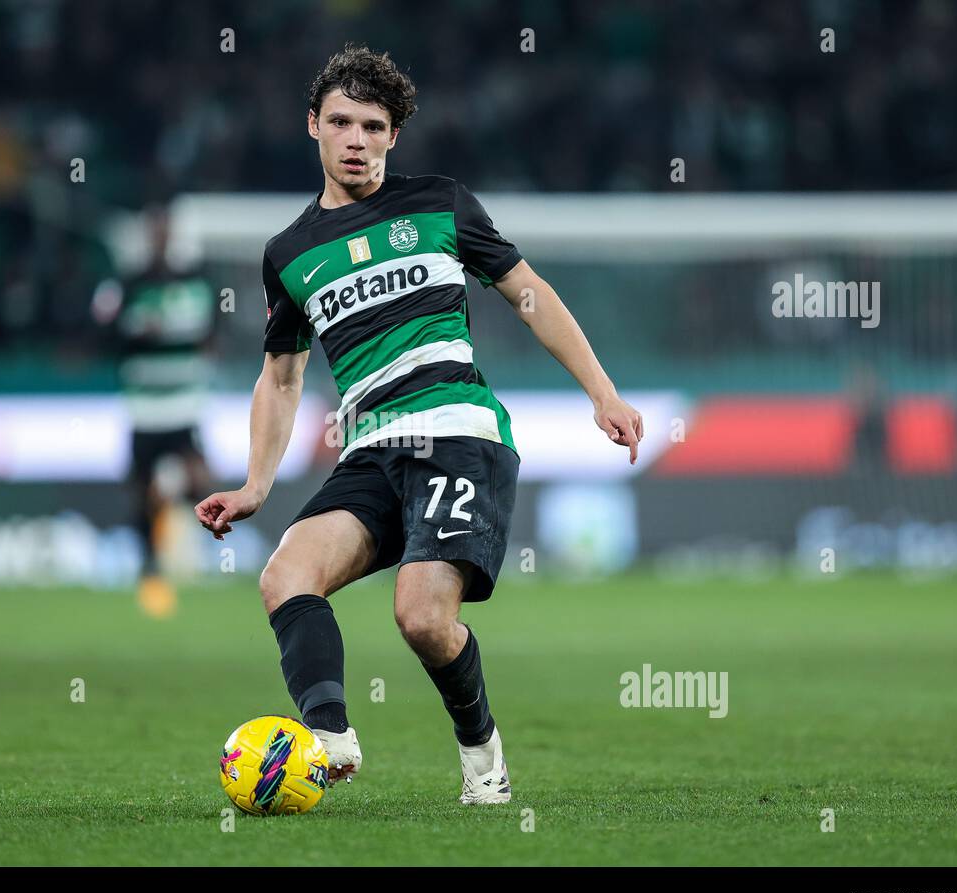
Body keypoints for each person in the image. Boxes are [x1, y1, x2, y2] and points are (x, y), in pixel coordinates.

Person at [195, 45, 642, 803]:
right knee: (285, 575)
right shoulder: (290, 254)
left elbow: (527, 293)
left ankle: (482, 753)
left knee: (423, 618)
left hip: (459, 434)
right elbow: (281, 376)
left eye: (373, 125)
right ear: (314, 126)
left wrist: (602, 393)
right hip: (370, 448)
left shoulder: (440, 202)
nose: (357, 139)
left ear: (393, 136)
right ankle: (331, 741)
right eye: (341, 121)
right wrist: (255, 484)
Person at [95, 208, 216, 617]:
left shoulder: (195, 280)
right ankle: (150, 570)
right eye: (155, 231)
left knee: (203, 480)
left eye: (166, 230)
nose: (161, 237)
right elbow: (102, 335)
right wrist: (132, 330)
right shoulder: (129, 284)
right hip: (144, 408)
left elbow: (212, 332)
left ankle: (179, 512)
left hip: (184, 404)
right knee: (138, 489)